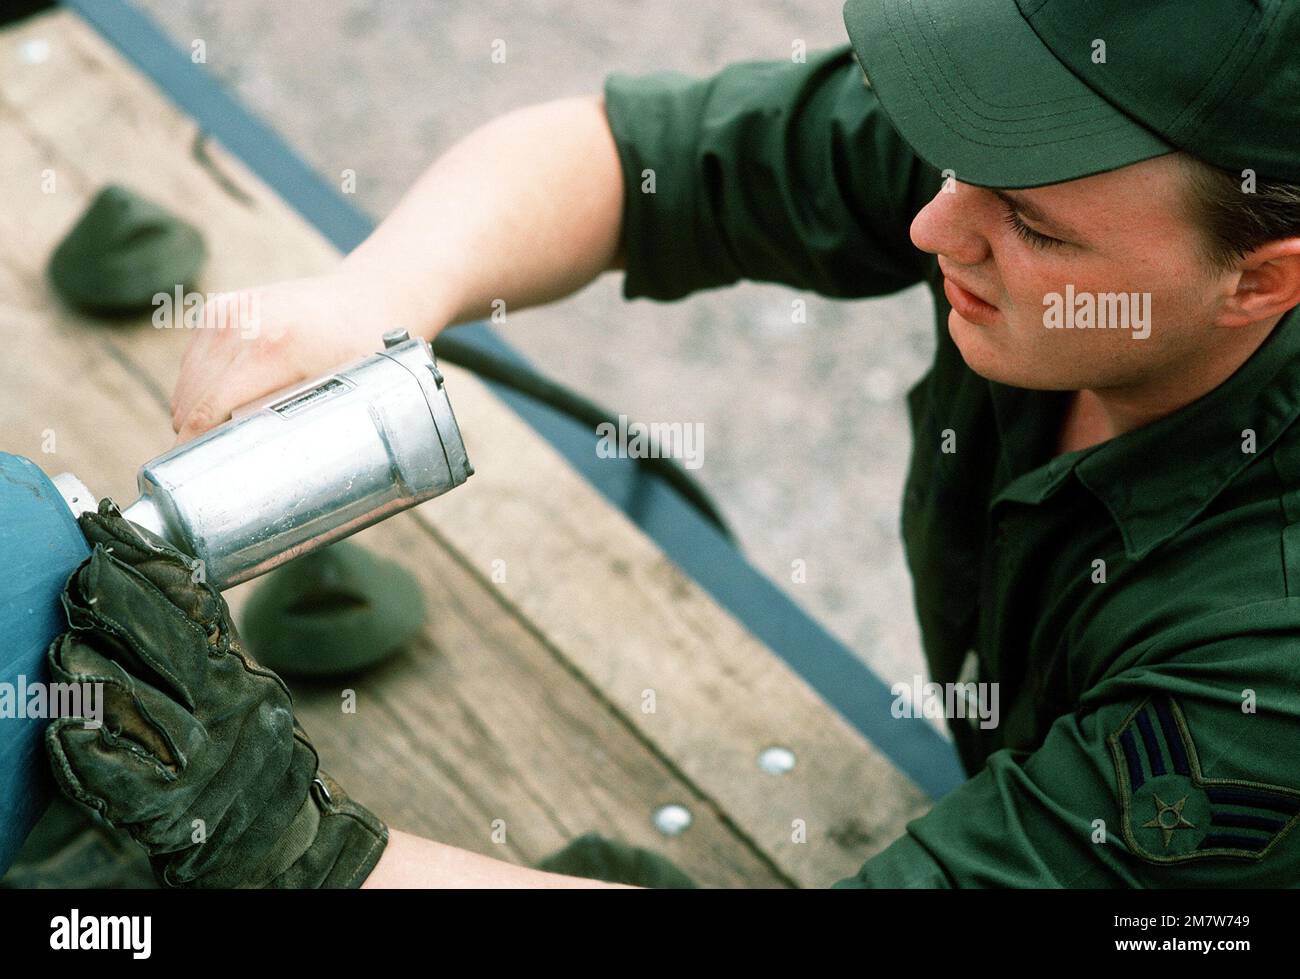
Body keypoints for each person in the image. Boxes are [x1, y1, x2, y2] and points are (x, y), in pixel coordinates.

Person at [46, 0, 1300, 887]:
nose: (931, 224)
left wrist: (299, 852)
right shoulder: (1044, 173)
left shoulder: (1264, 679)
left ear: (1262, 280)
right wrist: (376, 294)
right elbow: (635, 162)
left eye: (1030, 225)